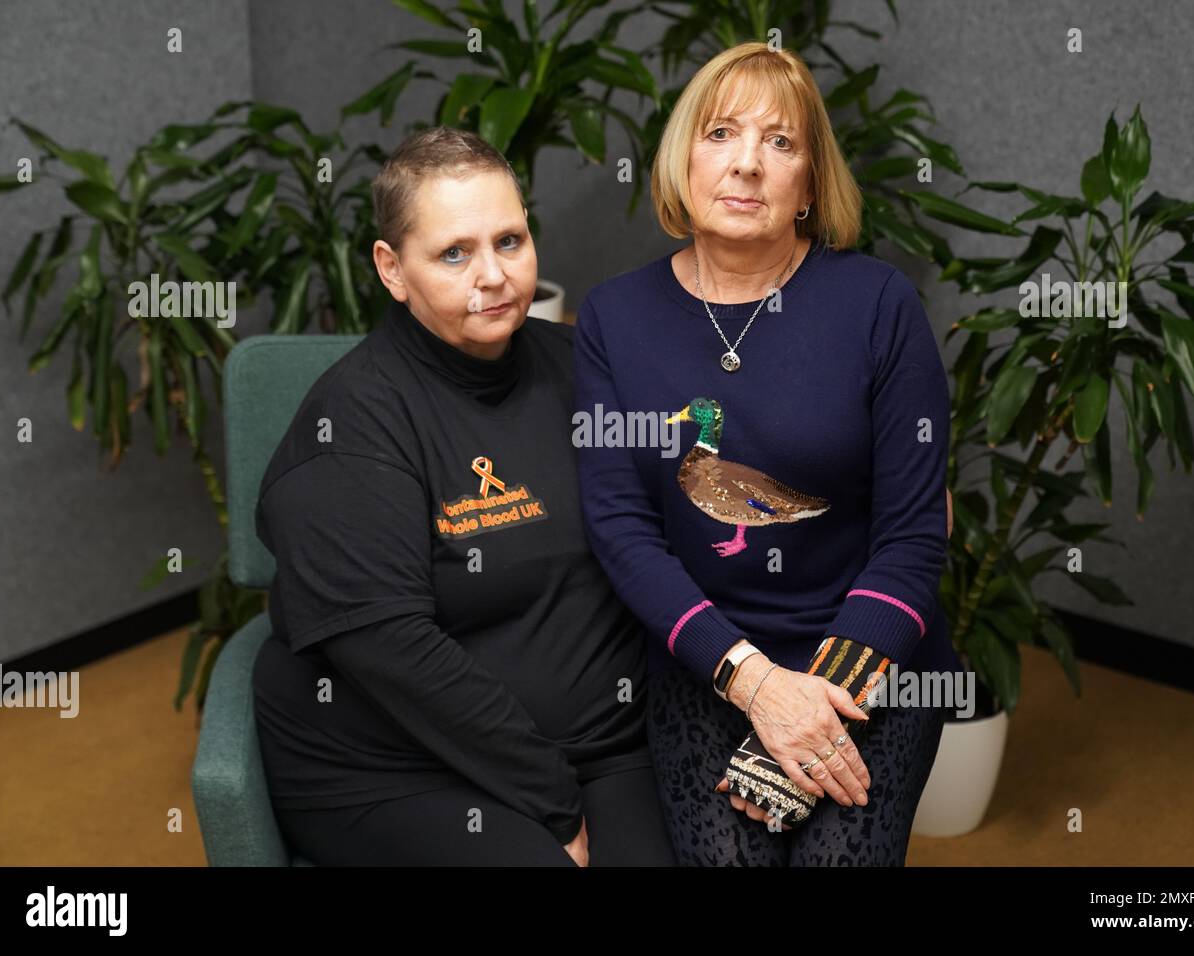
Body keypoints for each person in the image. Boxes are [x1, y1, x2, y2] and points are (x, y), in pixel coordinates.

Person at [573, 41, 963, 866]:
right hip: (708, 658)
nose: (747, 164)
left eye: (780, 143)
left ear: (810, 185)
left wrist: (816, 702)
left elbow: (914, 536)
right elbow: (621, 530)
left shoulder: (879, 305)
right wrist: (753, 684)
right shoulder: (614, 317)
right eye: (720, 134)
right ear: (683, 158)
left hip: (868, 658)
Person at [250, 127, 676, 867]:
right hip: (396, 768)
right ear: (392, 268)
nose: (494, 274)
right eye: (454, 253)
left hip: (602, 746)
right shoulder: (349, 426)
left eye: (509, 241)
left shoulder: (581, 369)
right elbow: (393, 653)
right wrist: (551, 801)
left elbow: (666, 525)